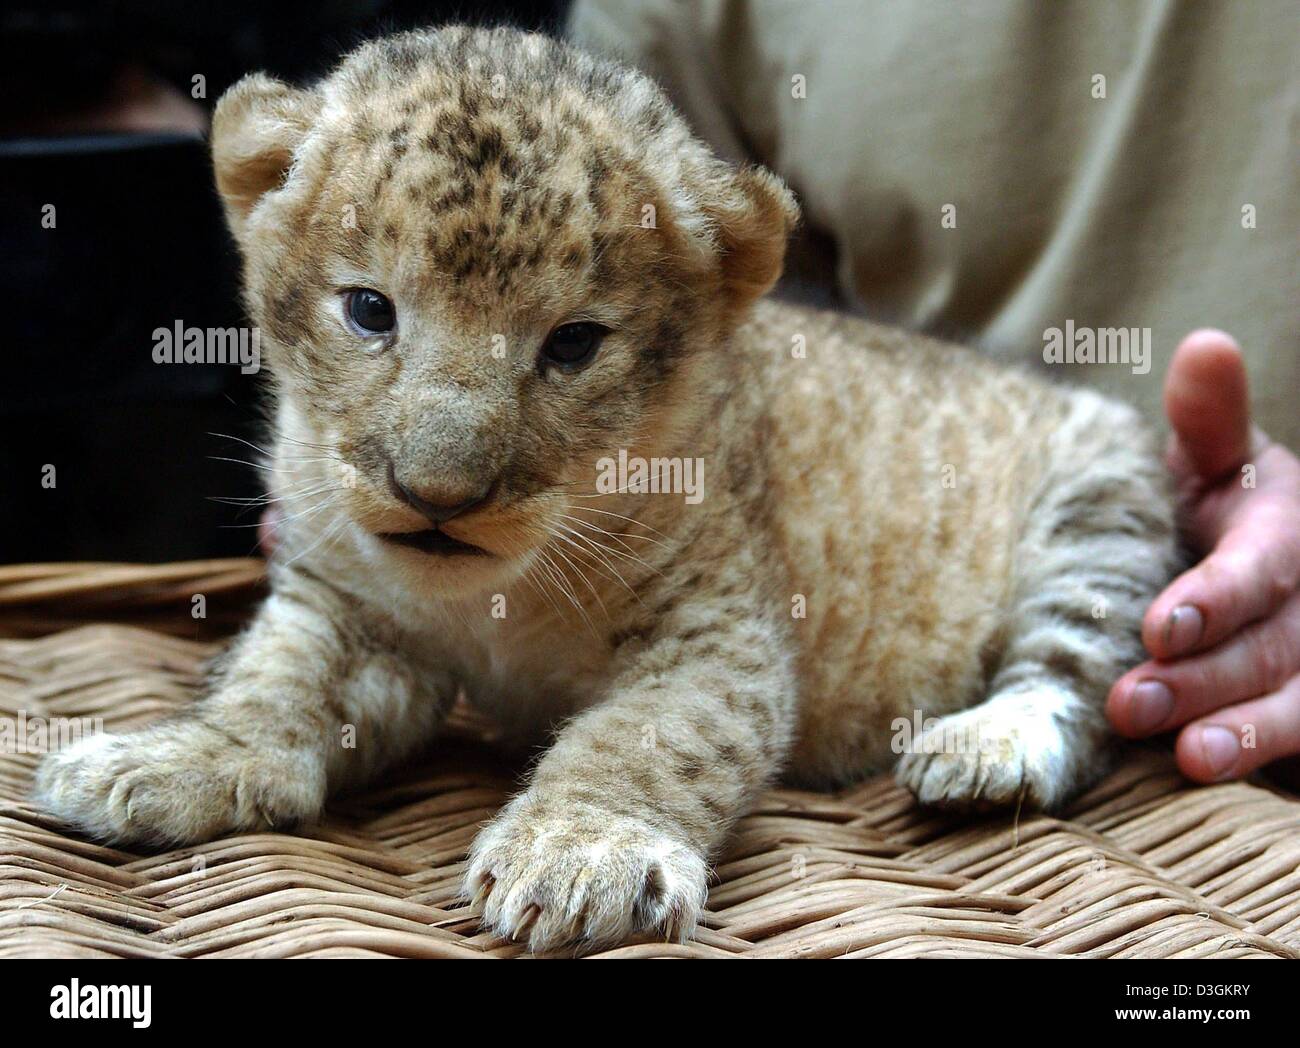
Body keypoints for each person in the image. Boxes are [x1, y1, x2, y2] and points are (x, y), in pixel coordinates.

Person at [566, 0, 1300, 784]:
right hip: (862, 632)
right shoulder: (665, 39)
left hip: (1170, 676)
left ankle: (1050, 710)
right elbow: (666, 323)